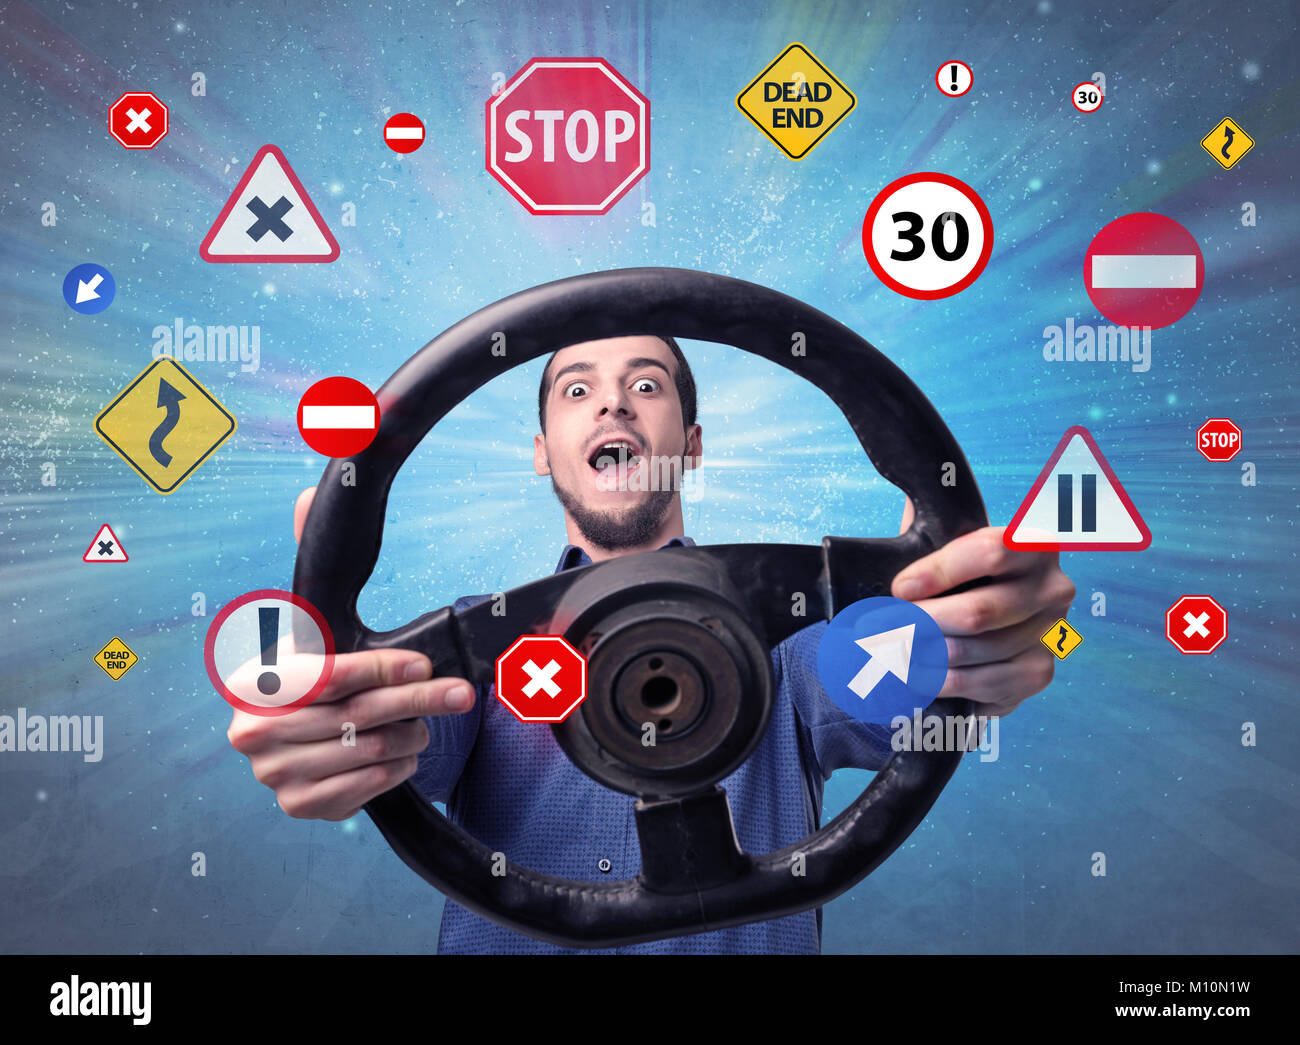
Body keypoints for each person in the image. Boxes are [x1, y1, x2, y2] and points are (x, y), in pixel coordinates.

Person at [228, 334, 1076, 953]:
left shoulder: (790, 647)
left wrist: (957, 635)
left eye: (647, 383)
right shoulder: (468, 657)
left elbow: (887, 679)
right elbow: (392, 724)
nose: (613, 403)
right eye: (575, 390)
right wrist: (335, 730)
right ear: (542, 454)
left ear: (691, 446)